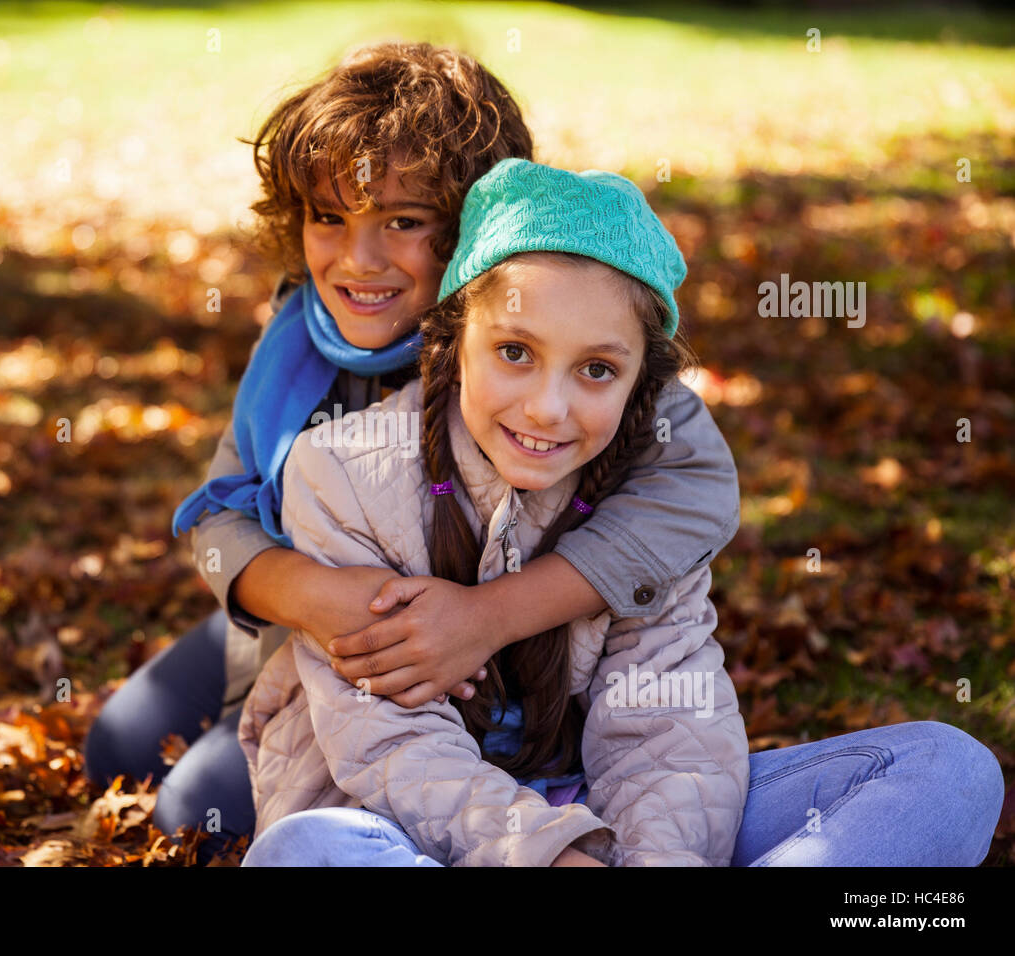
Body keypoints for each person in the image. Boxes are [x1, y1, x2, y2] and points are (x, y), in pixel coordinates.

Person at [238, 159, 1006, 867]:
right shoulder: (339, 471)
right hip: (419, 829)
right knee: (305, 851)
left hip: (610, 812)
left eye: (597, 370)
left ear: (642, 384)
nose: (548, 407)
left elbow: (669, 728)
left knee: (950, 770)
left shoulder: (649, 482)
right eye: (514, 351)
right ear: (452, 338)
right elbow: (396, 747)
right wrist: (553, 855)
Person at [83, 43, 741, 862]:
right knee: (115, 744)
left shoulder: (558, 339)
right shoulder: (301, 337)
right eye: (330, 217)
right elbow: (218, 516)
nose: (360, 261)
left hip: (468, 663)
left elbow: (695, 492)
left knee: (200, 799)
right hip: (320, 617)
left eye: (402, 221)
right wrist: (315, 597)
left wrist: (489, 616)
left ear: (475, 225)